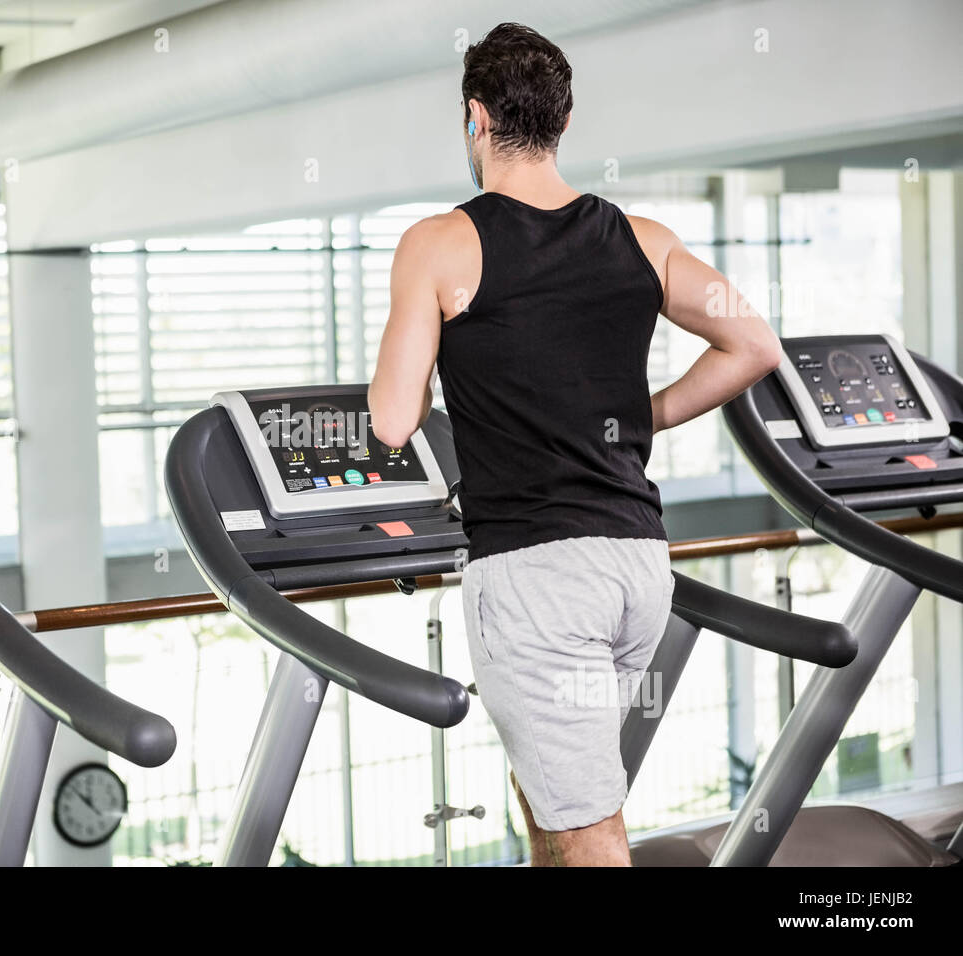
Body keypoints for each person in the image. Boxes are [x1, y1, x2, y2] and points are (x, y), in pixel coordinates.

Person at [367, 22, 783, 866]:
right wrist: (647, 413)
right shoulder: (643, 239)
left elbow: (392, 419)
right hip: (635, 567)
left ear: (474, 119)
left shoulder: (439, 243)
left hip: (536, 578)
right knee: (556, 791)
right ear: (562, 123)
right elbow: (755, 346)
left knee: (587, 826)